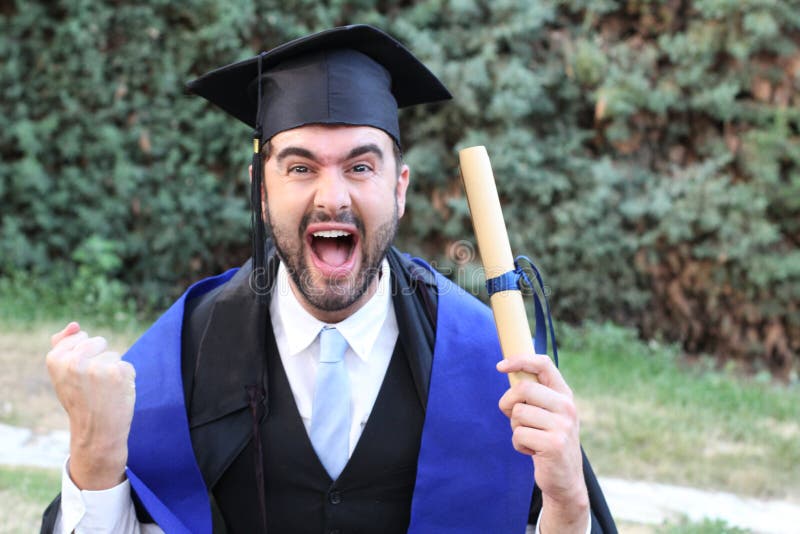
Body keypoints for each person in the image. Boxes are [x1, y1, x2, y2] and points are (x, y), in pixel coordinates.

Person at [41, 25, 616, 533]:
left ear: (400, 188)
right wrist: (94, 459)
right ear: (261, 191)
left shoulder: (488, 359)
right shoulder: (184, 353)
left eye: (361, 167)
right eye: (300, 167)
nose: (333, 197)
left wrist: (566, 504)